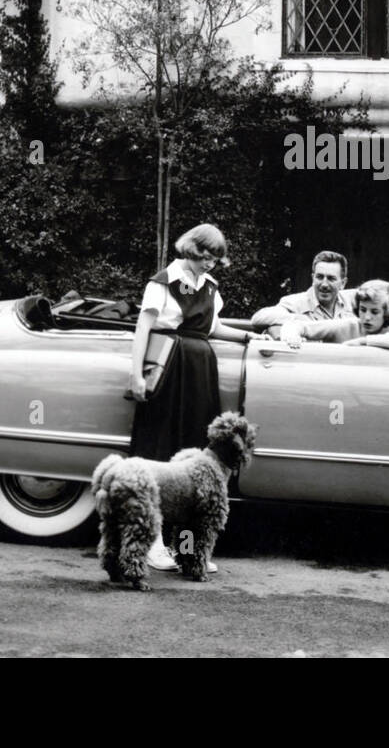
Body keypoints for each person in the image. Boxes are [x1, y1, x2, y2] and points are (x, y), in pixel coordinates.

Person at [129, 223, 256, 572]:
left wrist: (249, 337)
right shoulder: (163, 282)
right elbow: (144, 327)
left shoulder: (209, 286)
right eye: (204, 256)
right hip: (170, 368)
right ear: (191, 249)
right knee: (159, 450)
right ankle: (153, 545)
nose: (209, 264)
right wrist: (136, 373)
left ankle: (185, 550)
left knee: (191, 457)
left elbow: (212, 328)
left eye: (215, 259)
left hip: (200, 371)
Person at [279, 279, 389, 352]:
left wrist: (362, 342)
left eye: (374, 312)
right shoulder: (348, 325)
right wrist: (291, 336)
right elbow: (296, 326)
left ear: (386, 313)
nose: (367, 317)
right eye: (363, 309)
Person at [250, 250, 357, 329]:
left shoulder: (352, 301)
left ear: (343, 283)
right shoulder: (296, 303)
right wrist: (299, 320)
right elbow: (258, 318)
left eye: (331, 278)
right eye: (319, 277)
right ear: (312, 278)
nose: (324, 284)